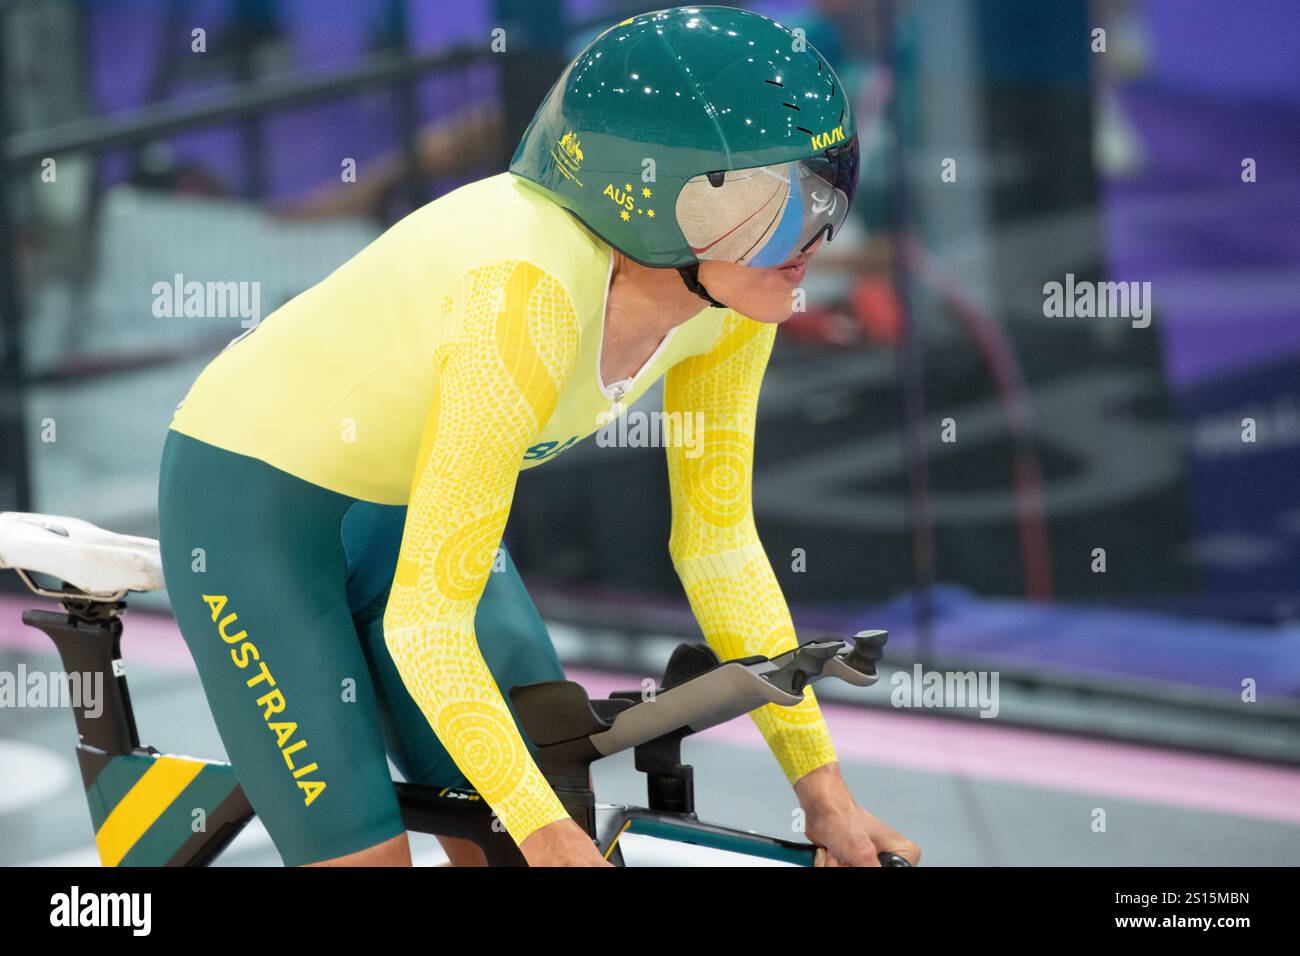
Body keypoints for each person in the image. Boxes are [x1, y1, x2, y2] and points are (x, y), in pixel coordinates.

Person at [157, 5, 918, 868]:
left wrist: (826, 796)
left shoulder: (736, 296)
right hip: (258, 511)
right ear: (649, 199)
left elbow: (718, 545)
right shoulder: (528, 297)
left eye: (829, 195)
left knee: (523, 827)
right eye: (776, 205)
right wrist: (544, 831)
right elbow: (426, 624)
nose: (815, 241)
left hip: (411, 507)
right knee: (394, 855)